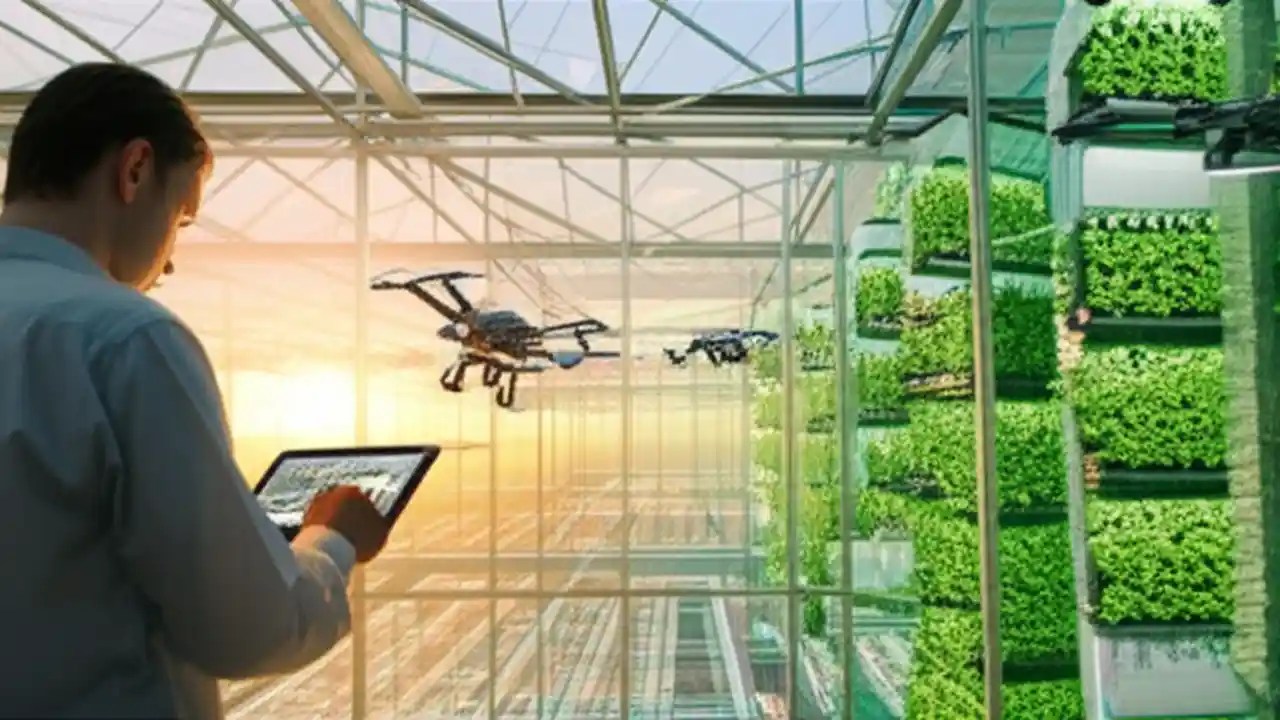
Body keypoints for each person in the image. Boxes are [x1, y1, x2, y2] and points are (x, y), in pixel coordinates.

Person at [0, 63, 390, 719]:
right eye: (181, 218)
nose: (172, 258)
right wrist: (331, 541)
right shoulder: (125, 339)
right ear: (135, 170)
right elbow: (248, 630)